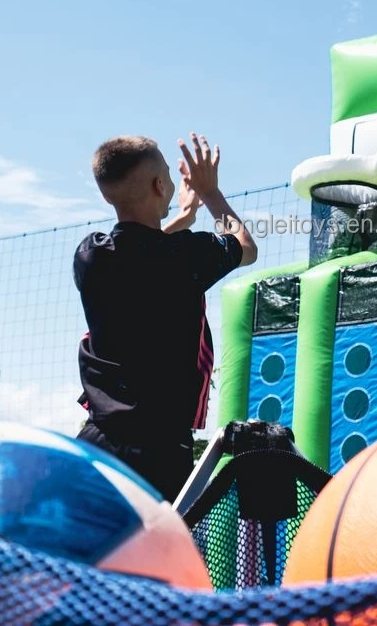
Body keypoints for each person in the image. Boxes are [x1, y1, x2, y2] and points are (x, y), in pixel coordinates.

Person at [73, 132, 257, 501]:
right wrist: (209, 194)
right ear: (160, 185)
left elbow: (140, 253)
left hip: (97, 444)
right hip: (159, 452)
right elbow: (245, 246)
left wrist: (183, 218)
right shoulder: (186, 257)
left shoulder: (90, 255)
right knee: (158, 555)